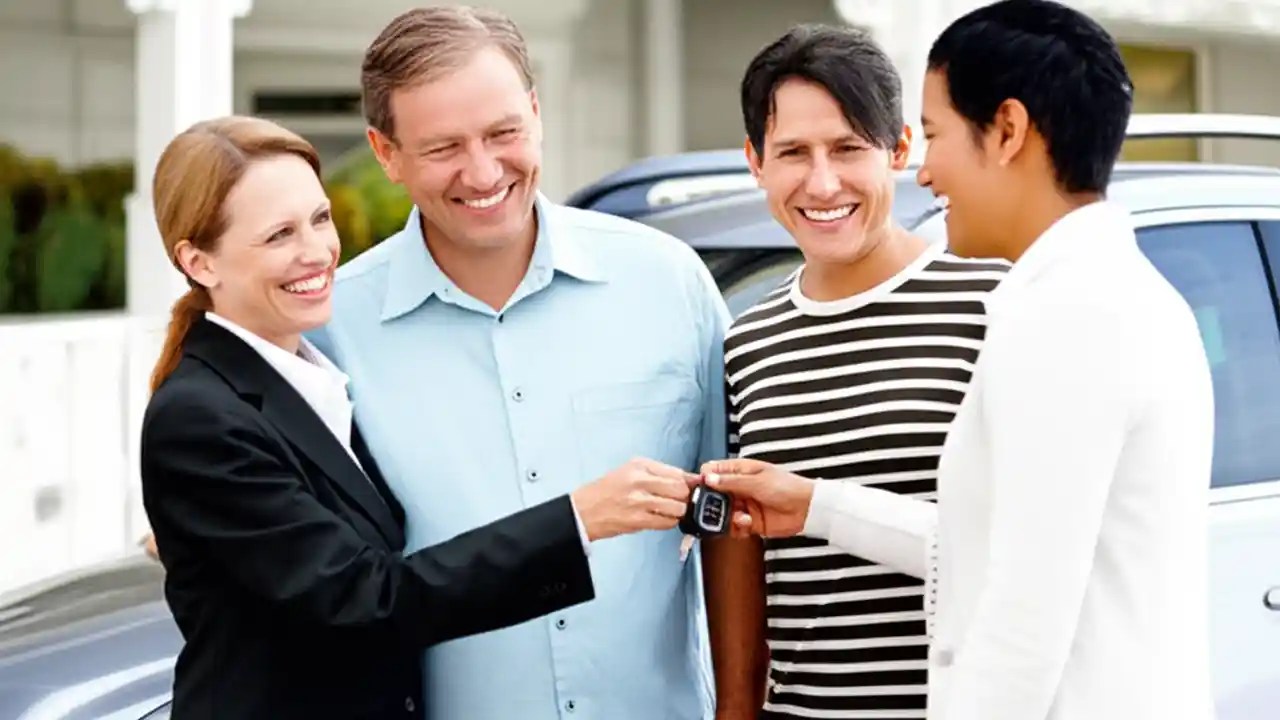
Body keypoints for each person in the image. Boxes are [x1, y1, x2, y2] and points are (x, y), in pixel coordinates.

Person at [701, 2, 1216, 719]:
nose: (930, 174)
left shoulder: (1043, 311)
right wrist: (817, 505)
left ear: (1005, 131)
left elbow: (1021, 615)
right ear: (756, 160)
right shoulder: (1094, 296)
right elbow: (985, 549)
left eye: (934, 135)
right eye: (793, 153)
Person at [139, 115, 699, 720]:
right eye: (279, 235)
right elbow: (365, 600)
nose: (317, 252)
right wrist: (579, 519)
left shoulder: (311, 374)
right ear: (199, 262)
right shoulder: (199, 418)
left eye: (320, 219)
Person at [307, 6, 728, 719]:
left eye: (503, 132)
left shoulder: (669, 282)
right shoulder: (329, 332)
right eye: (444, 147)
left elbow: (732, 525)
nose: (482, 171)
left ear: (535, 112)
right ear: (386, 152)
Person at [700, 24, 1008, 720]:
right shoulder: (748, 344)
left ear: (899, 148)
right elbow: (748, 577)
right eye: (792, 153)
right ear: (754, 161)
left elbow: (1031, 550)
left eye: (847, 148)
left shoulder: (994, 303)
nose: (822, 183)